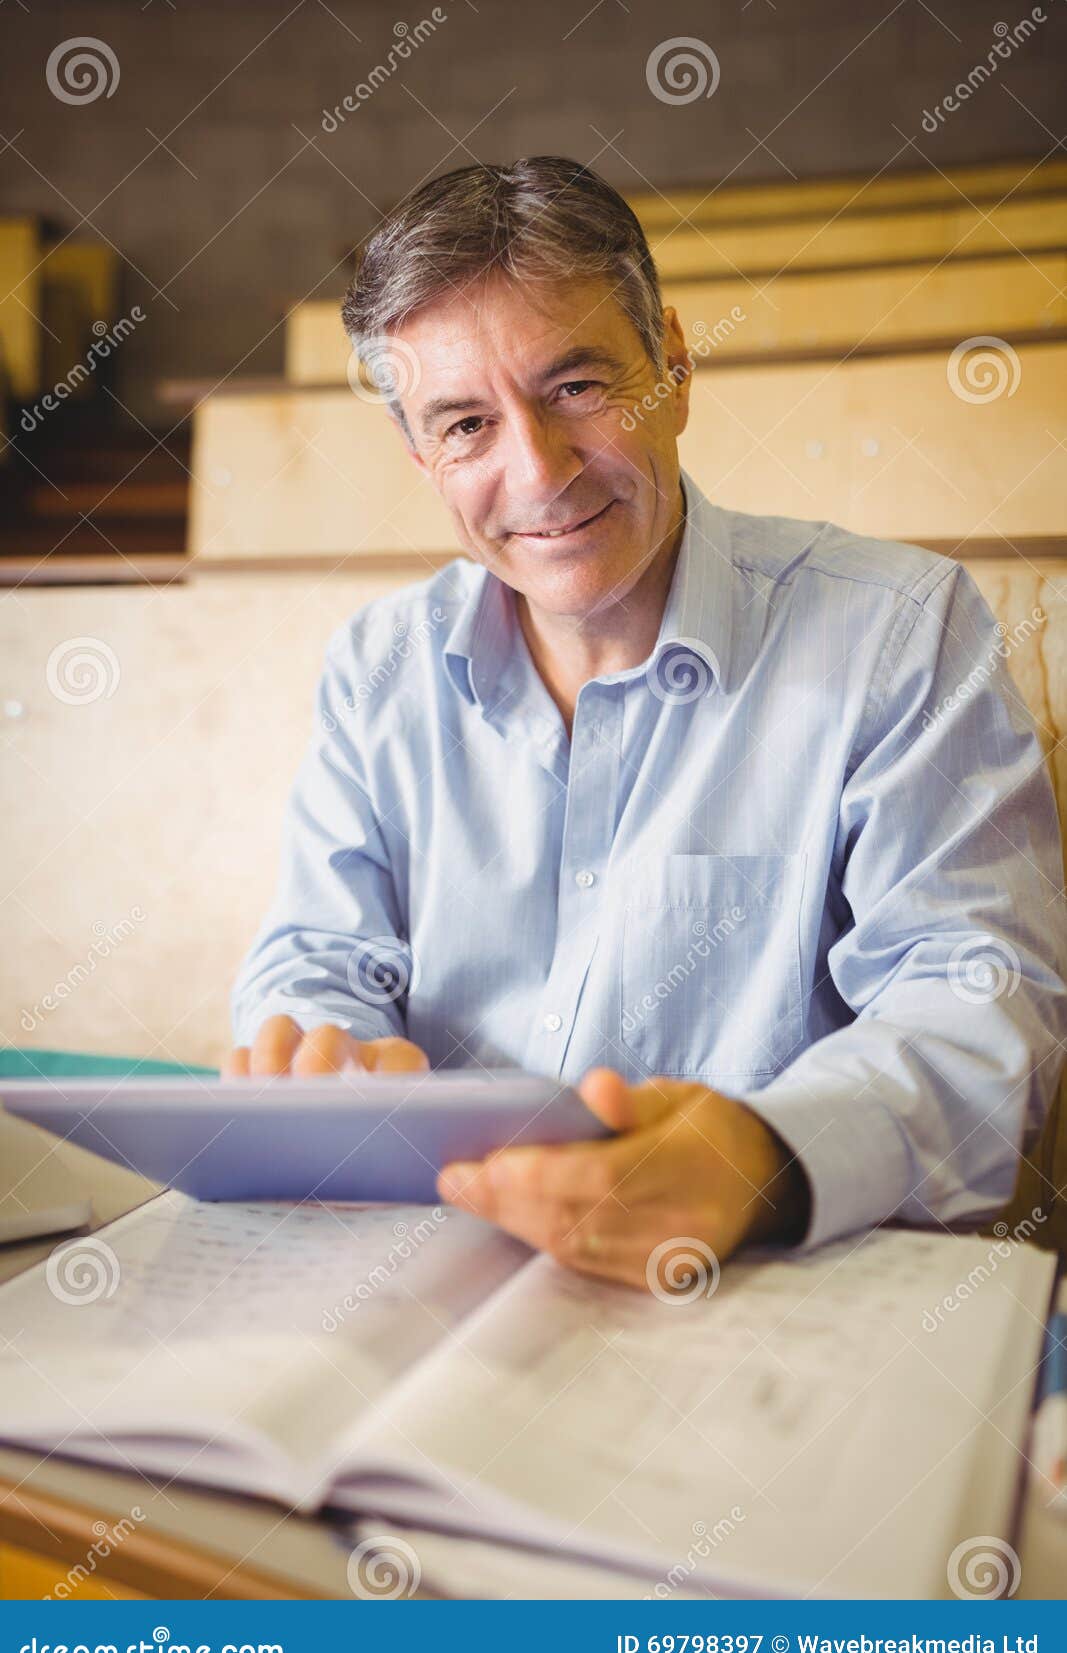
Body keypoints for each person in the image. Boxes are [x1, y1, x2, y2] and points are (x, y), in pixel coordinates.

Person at [226, 156, 1067, 1288]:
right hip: (438, 1275)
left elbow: (978, 1002)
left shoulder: (897, 632)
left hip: (770, 1290)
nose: (539, 471)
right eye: (467, 424)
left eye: (576, 387)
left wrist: (765, 1159)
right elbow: (316, 956)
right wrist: (316, 1045)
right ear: (421, 455)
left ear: (671, 364)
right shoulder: (377, 667)